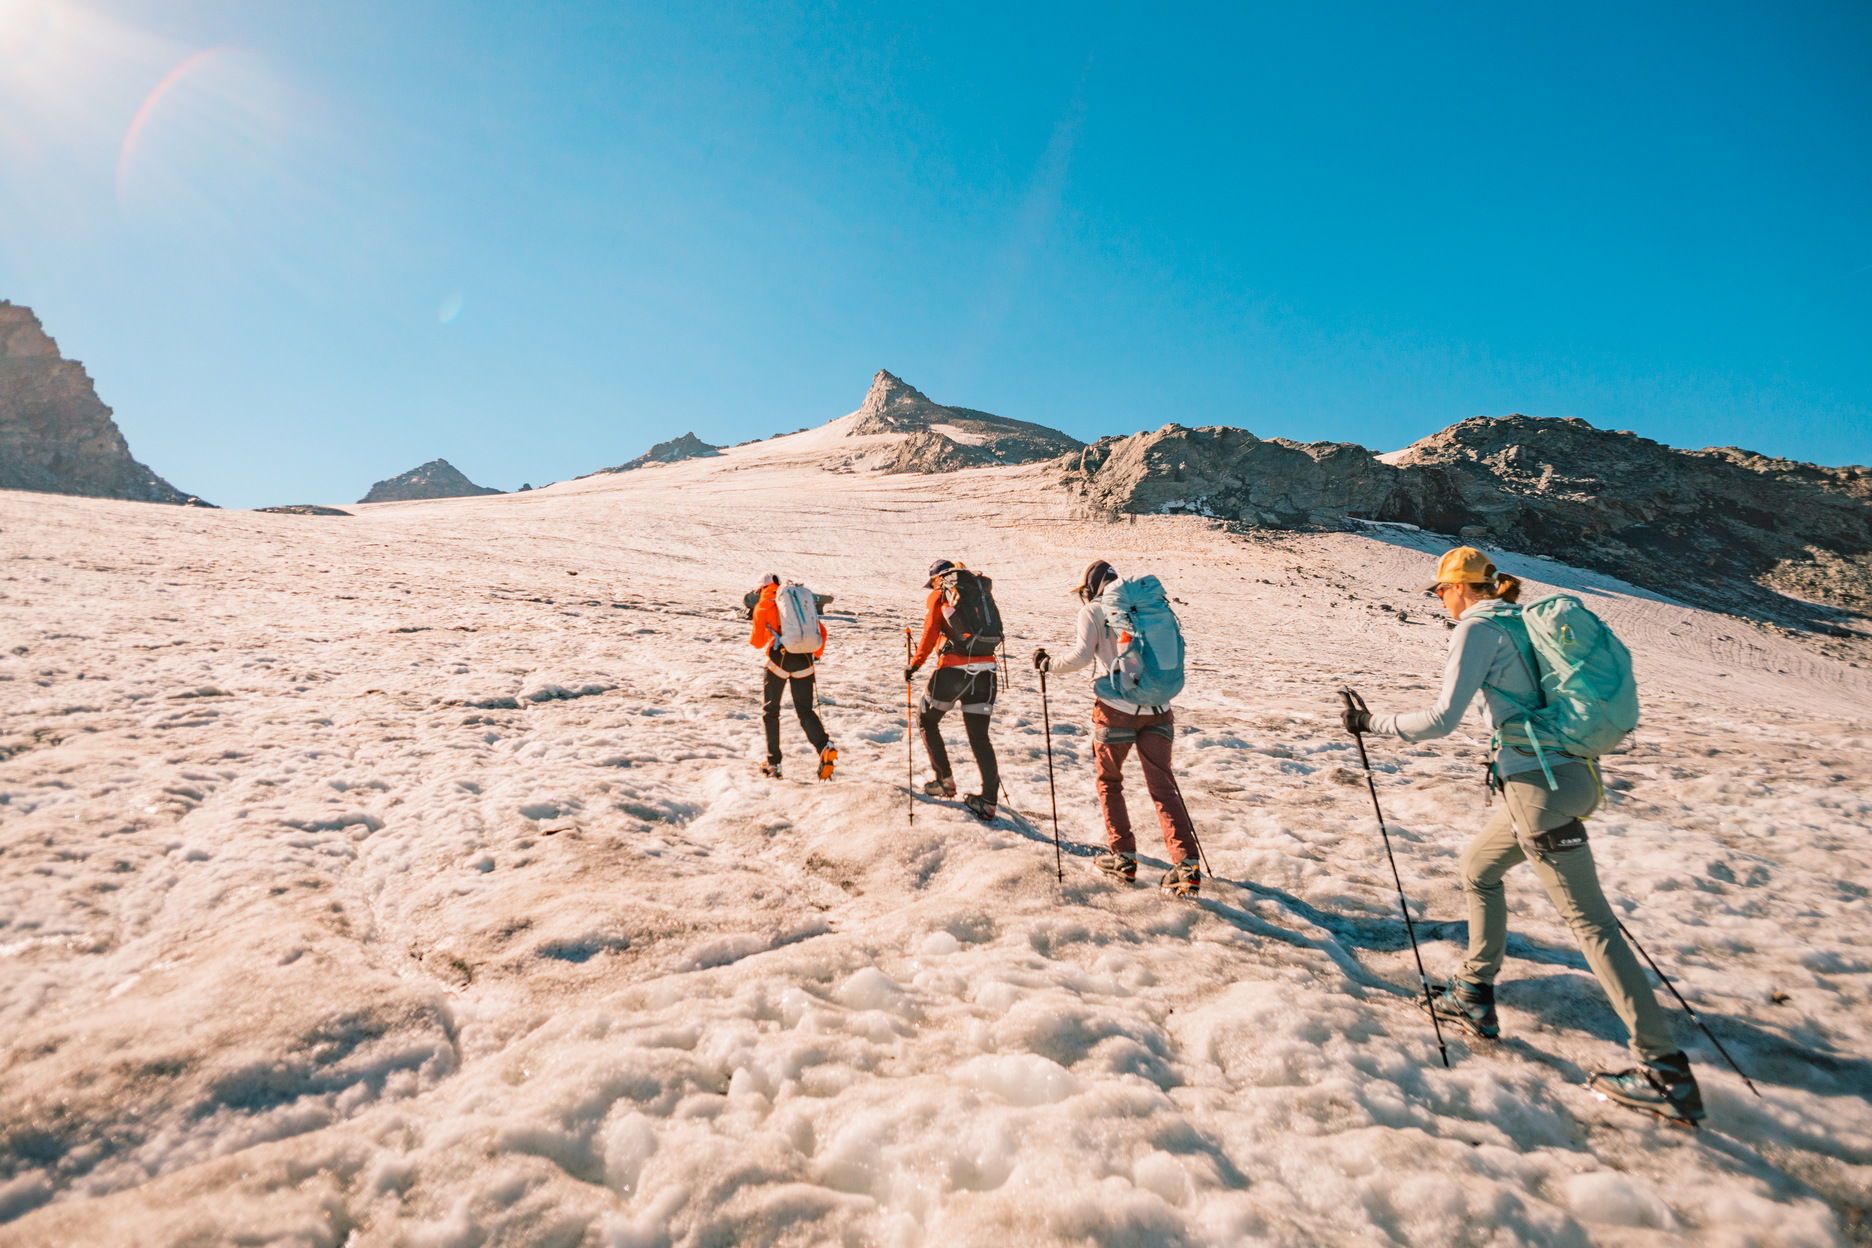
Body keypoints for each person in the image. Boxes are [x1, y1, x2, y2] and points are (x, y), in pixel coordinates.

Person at [1342, 546, 1703, 1125]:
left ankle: (1664, 1071)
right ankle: (1473, 992)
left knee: (1591, 924)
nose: (1440, 602)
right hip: (1565, 776)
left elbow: (1440, 721)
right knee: (1478, 870)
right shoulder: (1518, 620)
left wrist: (1370, 722)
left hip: (1539, 788)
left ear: (1458, 588)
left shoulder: (1478, 628)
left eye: (1440, 592)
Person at [1034, 559, 1202, 895]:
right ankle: (1187, 865)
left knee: (1110, 781)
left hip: (1116, 710)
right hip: (1159, 708)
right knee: (1164, 788)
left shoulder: (1094, 611)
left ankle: (1123, 857)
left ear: (1089, 588)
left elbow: (1082, 658)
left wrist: (1047, 664)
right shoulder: (1148, 607)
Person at [906, 559, 1000, 821]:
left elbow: (929, 633)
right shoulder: (979, 592)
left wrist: (914, 664)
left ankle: (944, 781)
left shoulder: (941, 594)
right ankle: (989, 801)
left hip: (954, 670)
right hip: (987, 673)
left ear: (937, 578)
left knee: (927, 719)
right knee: (980, 737)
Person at [749, 574, 836, 781]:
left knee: (771, 711)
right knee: (805, 710)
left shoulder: (765, 603)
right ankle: (824, 746)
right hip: (805, 660)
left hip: (779, 660)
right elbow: (820, 632)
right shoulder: (796, 599)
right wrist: (813, 654)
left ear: (762, 588)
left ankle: (774, 763)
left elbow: (757, 641)